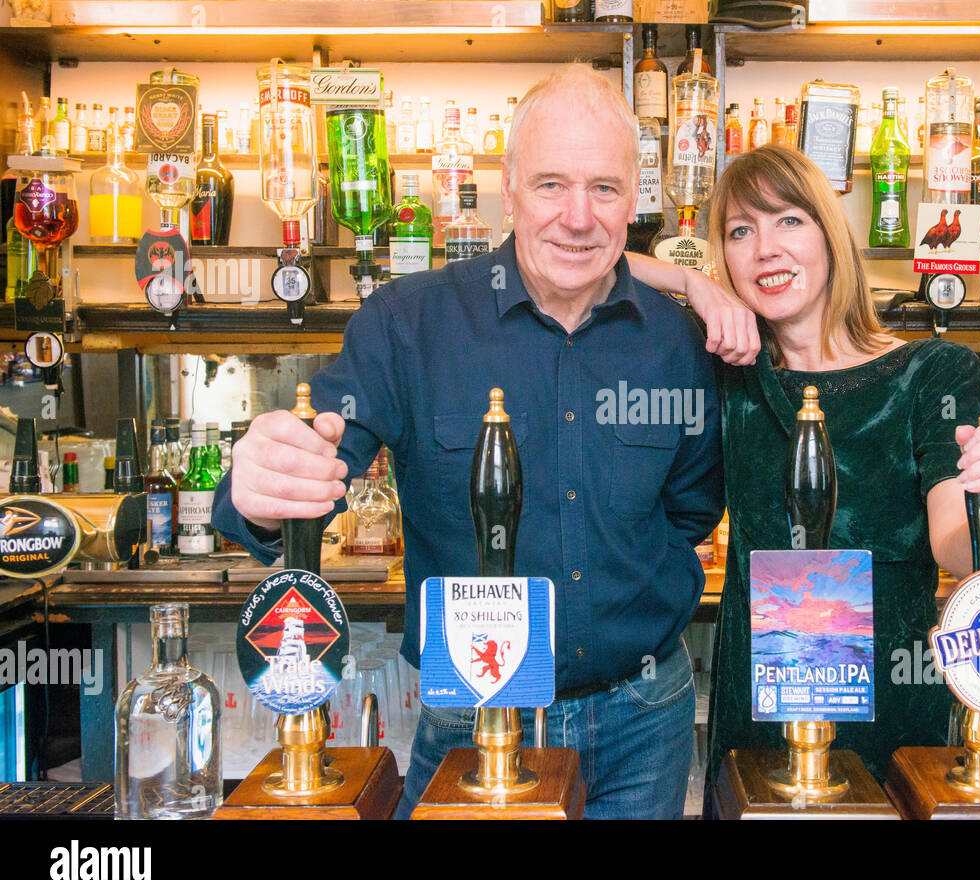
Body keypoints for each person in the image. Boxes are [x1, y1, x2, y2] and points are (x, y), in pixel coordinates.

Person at [211, 64, 760, 819]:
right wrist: (268, 490)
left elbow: (693, 509)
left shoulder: (680, 343)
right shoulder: (409, 325)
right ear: (508, 189)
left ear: (636, 198)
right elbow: (310, 471)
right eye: (550, 186)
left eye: (604, 188)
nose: (578, 216)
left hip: (642, 721)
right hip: (470, 725)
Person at [627, 144, 980, 811]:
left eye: (789, 220)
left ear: (831, 235)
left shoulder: (931, 373)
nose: (766, 248)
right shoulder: (731, 372)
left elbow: (957, 544)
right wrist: (692, 283)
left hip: (894, 718)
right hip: (759, 725)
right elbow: (582, 257)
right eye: (740, 231)